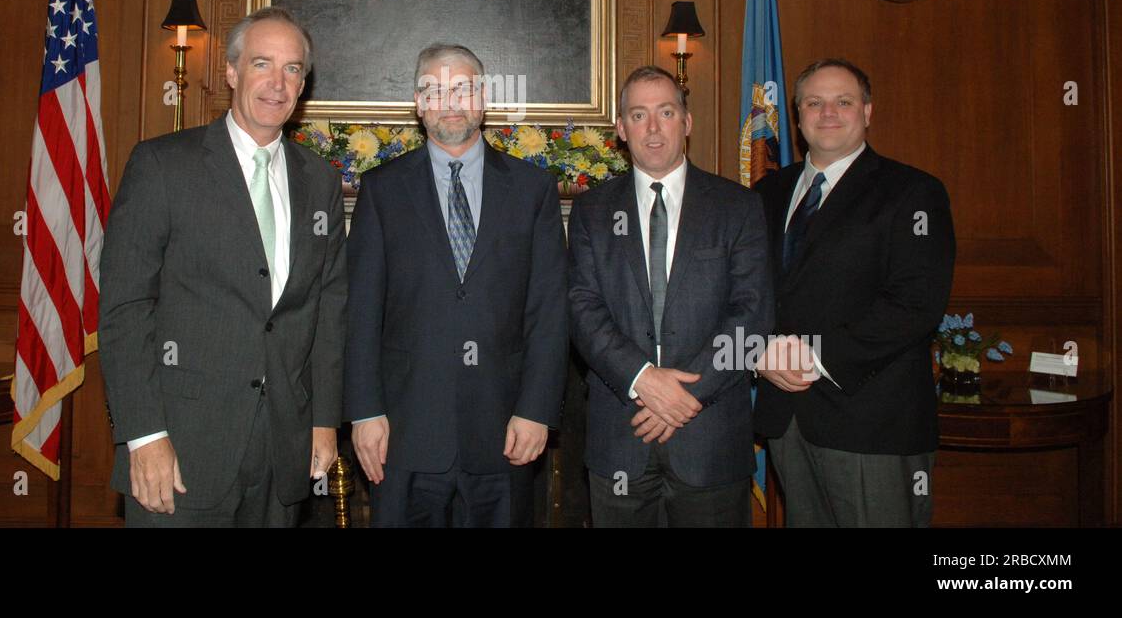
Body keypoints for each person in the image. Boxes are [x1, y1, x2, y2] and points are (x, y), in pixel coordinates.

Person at [98, 6, 347, 527]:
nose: (277, 83)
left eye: (293, 69)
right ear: (231, 72)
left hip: (283, 449)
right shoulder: (163, 165)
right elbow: (125, 308)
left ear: (304, 83)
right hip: (179, 448)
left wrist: (323, 422)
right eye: (262, 64)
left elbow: (327, 308)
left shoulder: (320, 180)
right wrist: (143, 435)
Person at [345, 43, 568, 527]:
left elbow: (549, 311)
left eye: (462, 89)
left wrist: (537, 410)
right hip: (402, 434)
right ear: (418, 103)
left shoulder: (533, 190)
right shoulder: (381, 190)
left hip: (506, 430)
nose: (450, 102)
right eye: (435, 90)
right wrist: (363, 412)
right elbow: (360, 311)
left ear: (483, 98)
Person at [753, 58, 955, 527]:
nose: (828, 113)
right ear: (798, 117)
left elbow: (916, 304)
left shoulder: (912, 192)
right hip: (788, 416)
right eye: (814, 103)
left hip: (873, 420)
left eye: (843, 102)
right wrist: (757, 352)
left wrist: (812, 357)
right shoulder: (766, 193)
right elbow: (748, 291)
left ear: (867, 112)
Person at [569, 66, 773, 527]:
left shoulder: (738, 207)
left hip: (711, 437)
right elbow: (582, 307)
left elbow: (753, 313)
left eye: (665, 112)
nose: (653, 128)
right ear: (621, 129)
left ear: (688, 121)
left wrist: (685, 395)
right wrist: (642, 379)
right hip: (620, 434)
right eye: (638, 115)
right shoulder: (592, 211)